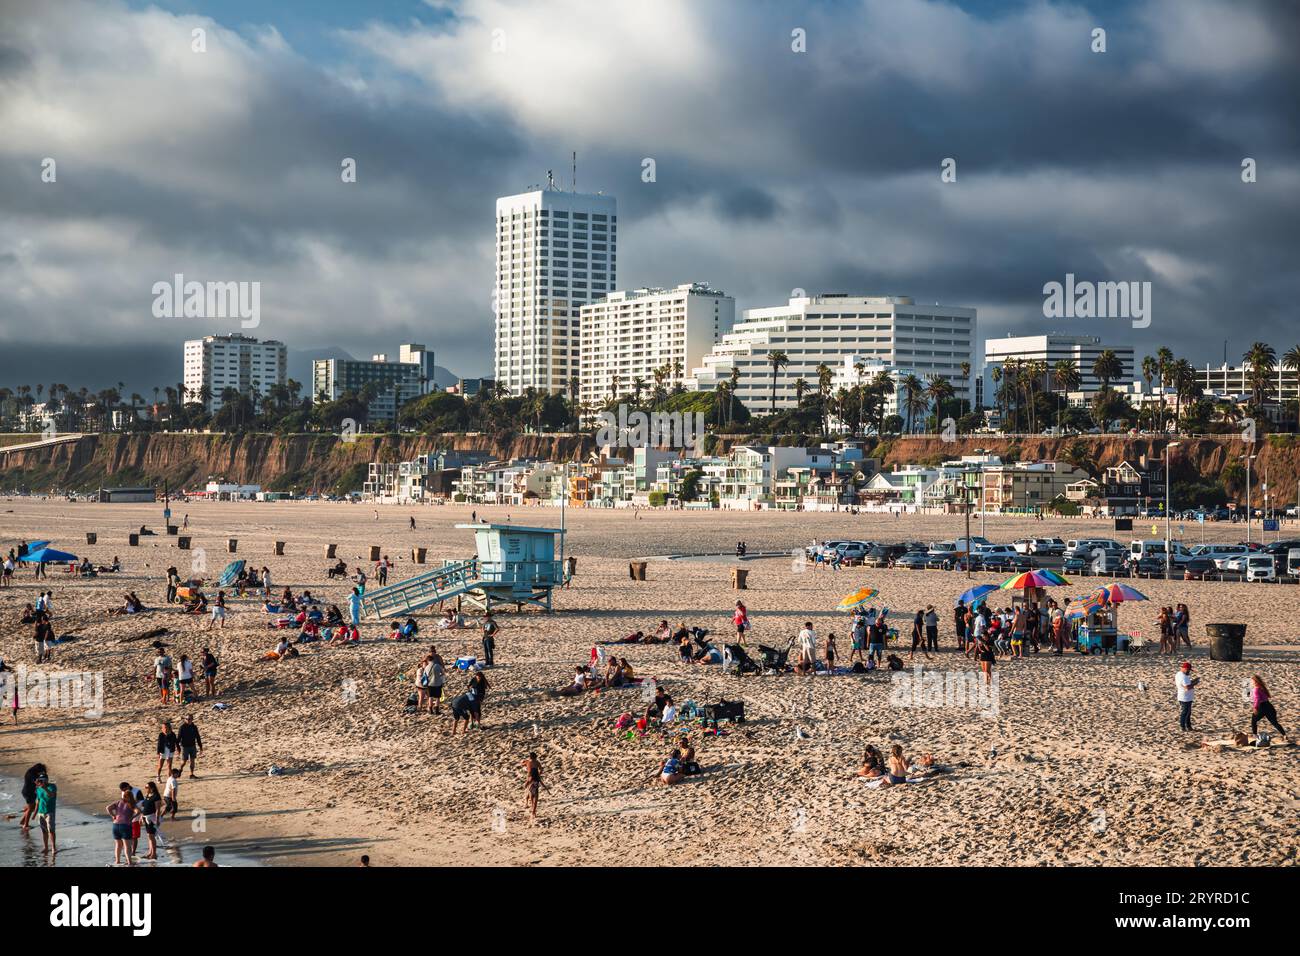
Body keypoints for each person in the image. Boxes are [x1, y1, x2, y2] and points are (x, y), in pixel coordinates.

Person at [107, 785, 138, 866]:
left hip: (116, 825)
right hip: (125, 825)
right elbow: (138, 812)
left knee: (118, 845)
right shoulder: (131, 804)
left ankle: (117, 861)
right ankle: (129, 862)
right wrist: (132, 817)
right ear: (131, 797)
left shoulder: (118, 802)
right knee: (127, 845)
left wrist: (113, 816)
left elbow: (108, 808)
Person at [1249, 675, 1287, 740]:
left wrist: (1255, 708)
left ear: (1255, 682)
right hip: (1269, 706)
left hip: (1261, 707)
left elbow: (1257, 699)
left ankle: (1255, 736)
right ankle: (1284, 735)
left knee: (1253, 721)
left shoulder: (1256, 689)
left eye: (1252, 681)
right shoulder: (1262, 687)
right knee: (1274, 722)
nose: (1251, 682)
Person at [34, 773, 57, 854]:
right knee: (44, 831)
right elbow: (38, 801)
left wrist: (45, 788)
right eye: (40, 780)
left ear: (46, 780)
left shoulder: (52, 786)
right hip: (41, 812)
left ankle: (53, 847)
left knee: (51, 830)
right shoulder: (38, 788)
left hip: (49, 812)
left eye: (42, 780)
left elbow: (51, 795)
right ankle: (46, 847)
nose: (41, 782)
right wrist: (34, 814)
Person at [138, 781, 162, 860]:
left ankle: (154, 854)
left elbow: (157, 809)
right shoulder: (147, 795)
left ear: (152, 788)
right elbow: (144, 807)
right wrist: (141, 817)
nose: (145, 789)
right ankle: (150, 852)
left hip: (151, 818)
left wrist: (157, 820)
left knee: (151, 836)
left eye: (147, 787)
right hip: (145, 817)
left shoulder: (156, 796)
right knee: (149, 836)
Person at [1175, 661, 1199, 732]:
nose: (1189, 672)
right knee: (1185, 713)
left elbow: (1185, 684)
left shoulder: (1178, 674)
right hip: (1185, 698)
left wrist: (1192, 681)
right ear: (1185, 669)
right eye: (1188, 670)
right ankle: (1183, 726)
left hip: (1183, 697)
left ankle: (1188, 726)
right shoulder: (1184, 677)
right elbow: (1187, 687)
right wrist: (1195, 683)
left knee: (1187, 712)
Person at [523, 752, 546, 820]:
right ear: (535, 757)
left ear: (530, 757)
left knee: (531, 794)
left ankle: (530, 807)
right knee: (535, 796)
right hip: (536, 779)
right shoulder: (537, 762)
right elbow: (541, 769)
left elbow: (522, 764)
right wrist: (539, 773)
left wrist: (525, 763)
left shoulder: (528, 762)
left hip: (530, 779)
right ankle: (533, 811)